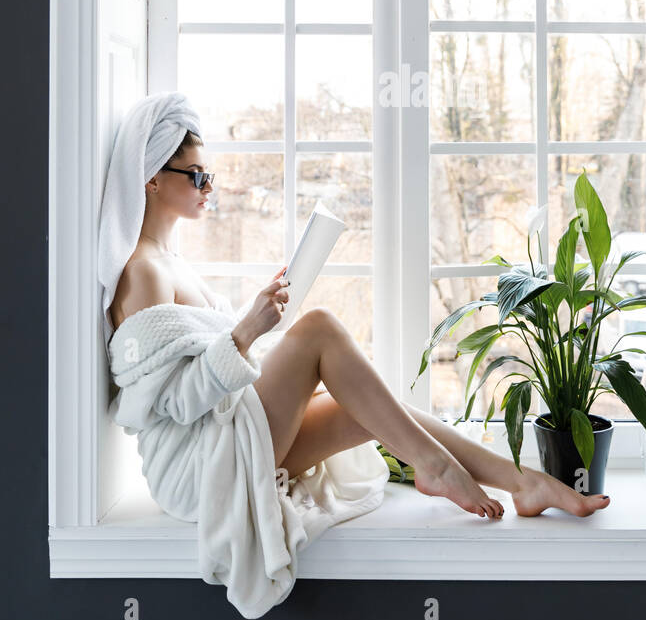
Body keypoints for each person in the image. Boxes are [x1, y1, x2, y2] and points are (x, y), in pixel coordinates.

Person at [110, 124, 612, 525]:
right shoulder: (144, 270)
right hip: (195, 471)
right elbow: (169, 406)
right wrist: (246, 332)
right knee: (321, 327)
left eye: (210, 175)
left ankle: (525, 482)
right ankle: (435, 468)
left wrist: (258, 322)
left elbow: (204, 363)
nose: (209, 187)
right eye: (196, 176)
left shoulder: (172, 261)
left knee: (364, 409)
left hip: (225, 440)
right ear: (153, 177)